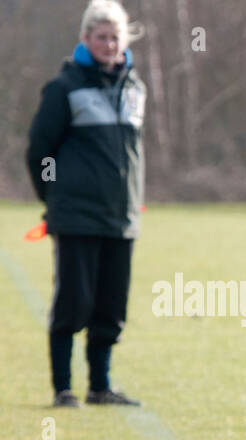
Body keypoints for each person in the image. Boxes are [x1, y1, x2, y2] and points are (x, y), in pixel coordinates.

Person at [26, 0, 146, 408]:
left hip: (120, 218)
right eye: (102, 37)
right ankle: (63, 388)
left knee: (111, 307)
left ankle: (101, 386)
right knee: (73, 303)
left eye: (116, 37)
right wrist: (53, 198)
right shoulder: (65, 88)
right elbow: (41, 153)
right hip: (76, 217)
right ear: (85, 39)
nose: (110, 44)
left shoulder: (135, 88)